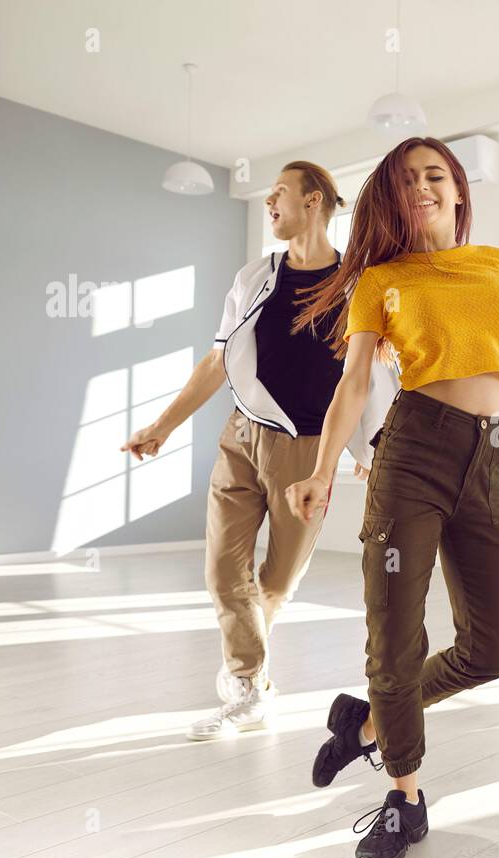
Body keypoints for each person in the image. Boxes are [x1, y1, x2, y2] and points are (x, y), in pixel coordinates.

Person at [284, 137, 499, 858]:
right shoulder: (381, 278)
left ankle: (367, 726)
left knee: (491, 652)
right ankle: (405, 798)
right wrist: (323, 470)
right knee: (394, 639)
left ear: (457, 187)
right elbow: (354, 383)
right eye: (406, 180)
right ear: (392, 198)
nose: (422, 186)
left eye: (434, 175)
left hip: (490, 459)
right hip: (414, 452)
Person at [122, 161, 397, 742]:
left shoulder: (358, 282)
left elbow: (373, 374)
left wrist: (372, 450)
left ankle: (249, 673)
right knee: (224, 571)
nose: (269, 202)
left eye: (278, 193)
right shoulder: (255, 276)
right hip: (242, 435)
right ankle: (249, 687)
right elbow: (216, 360)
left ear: (314, 200)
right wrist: (164, 425)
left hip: (308, 451)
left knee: (275, 584)